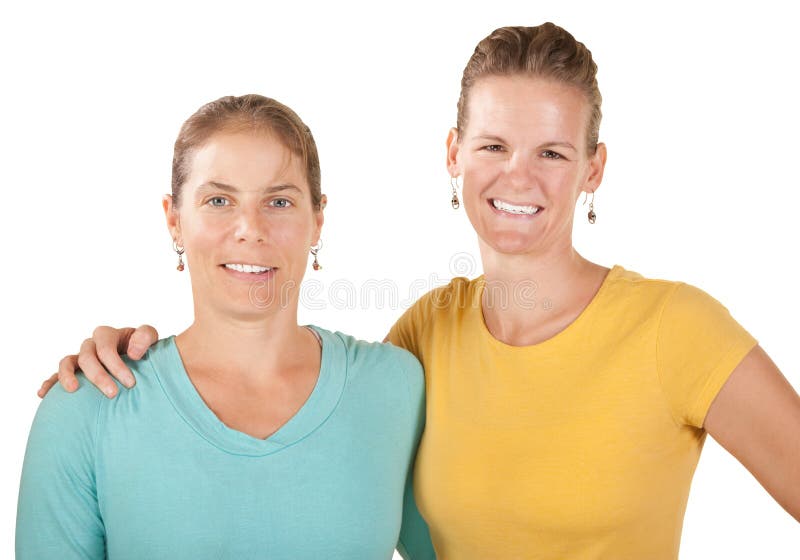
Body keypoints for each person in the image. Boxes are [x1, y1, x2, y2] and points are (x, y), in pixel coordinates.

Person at [38, 23, 800, 559]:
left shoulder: (676, 328)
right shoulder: (422, 340)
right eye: (495, 145)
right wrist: (114, 361)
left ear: (594, 169)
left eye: (554, 152)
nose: (520, 178)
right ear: (454, 154)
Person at [17, 94, 434, 559]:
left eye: (278, 201)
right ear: (174, 220)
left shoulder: (395, 388)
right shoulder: (87, 409)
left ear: (317, 220)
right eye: (218, 200)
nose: (249, 228)